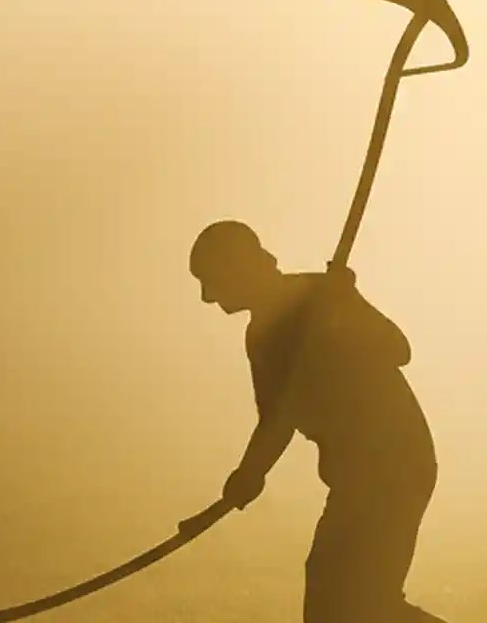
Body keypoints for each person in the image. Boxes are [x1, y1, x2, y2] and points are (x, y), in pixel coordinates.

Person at [189, 219, 446, 623]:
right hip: (355, 476)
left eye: (210, 281)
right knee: (343, 606)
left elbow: (398, 349)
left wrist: (348, 305)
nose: (206, 297)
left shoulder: (322, 296)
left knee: (360, 605)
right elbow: (277, 419)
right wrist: (248, 476)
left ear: (237, 269)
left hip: (394, 467)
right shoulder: (260, 334)